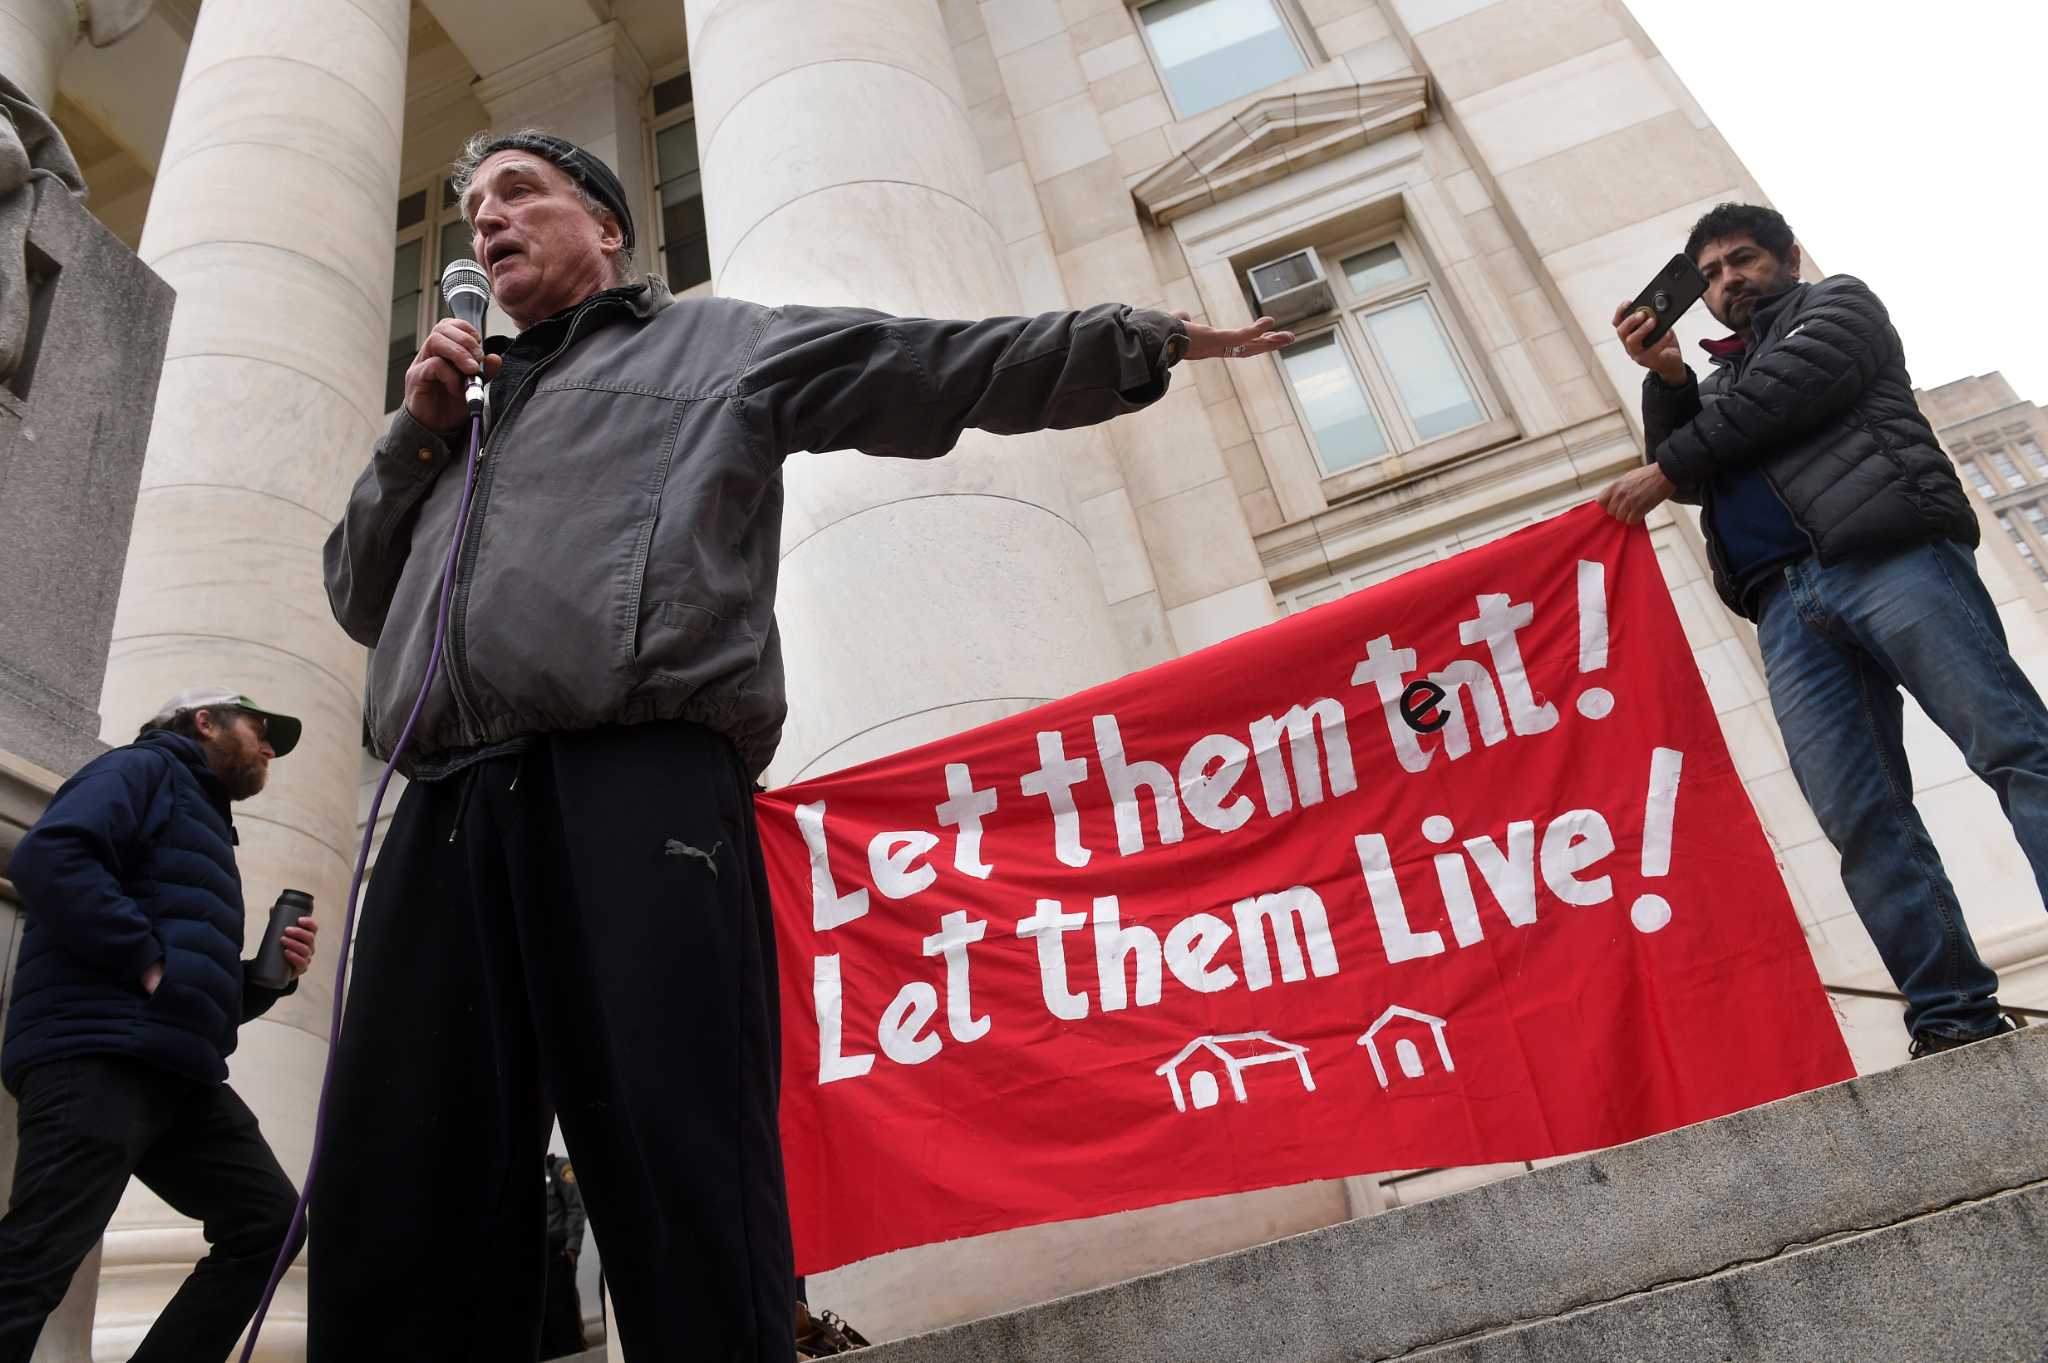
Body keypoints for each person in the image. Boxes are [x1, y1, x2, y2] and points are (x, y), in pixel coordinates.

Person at [311, 127, 1292, 1361]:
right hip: (447, 799)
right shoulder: (460, 412)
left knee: (675, 1147)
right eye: (471, 212)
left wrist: (1132, 341)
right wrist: (415, 436)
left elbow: (933, 365)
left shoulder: (719, 346)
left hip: (640, 774)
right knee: (397, 1167)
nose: (486, 222)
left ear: (607, 226)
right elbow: (360, 594)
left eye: (518, 194)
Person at [1598, 201, 2046, 1057]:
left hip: (1892, 562)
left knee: (2015, 749)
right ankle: (1952, 1018)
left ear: (1787, 257)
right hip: (1786, 610)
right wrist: (1666, 379)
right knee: (1861, 819)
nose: (1729, 279)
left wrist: (1667, 463)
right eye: (1713, 273)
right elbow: (1701, 476)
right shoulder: (1721, 384)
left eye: (1743, 260)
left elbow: (1770, 406)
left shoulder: (1838, 307)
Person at [0, 689, 319, 1361]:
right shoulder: (141, 768)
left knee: (267, 1222)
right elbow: (48, 857)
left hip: (175, 1066)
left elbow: (189, 990)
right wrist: (144, 959)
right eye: (260, 729)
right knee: (36, 1257)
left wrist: (266, 979)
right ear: (205, 720)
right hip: (97, 1050)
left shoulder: (206, 821)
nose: (268, 748)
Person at [539, 1153, 587, 1359]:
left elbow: (576, 1208)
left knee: (565, 1326)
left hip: (559, 1256)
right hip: (536, 1262)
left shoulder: (558, 1167)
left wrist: (572, 1250)